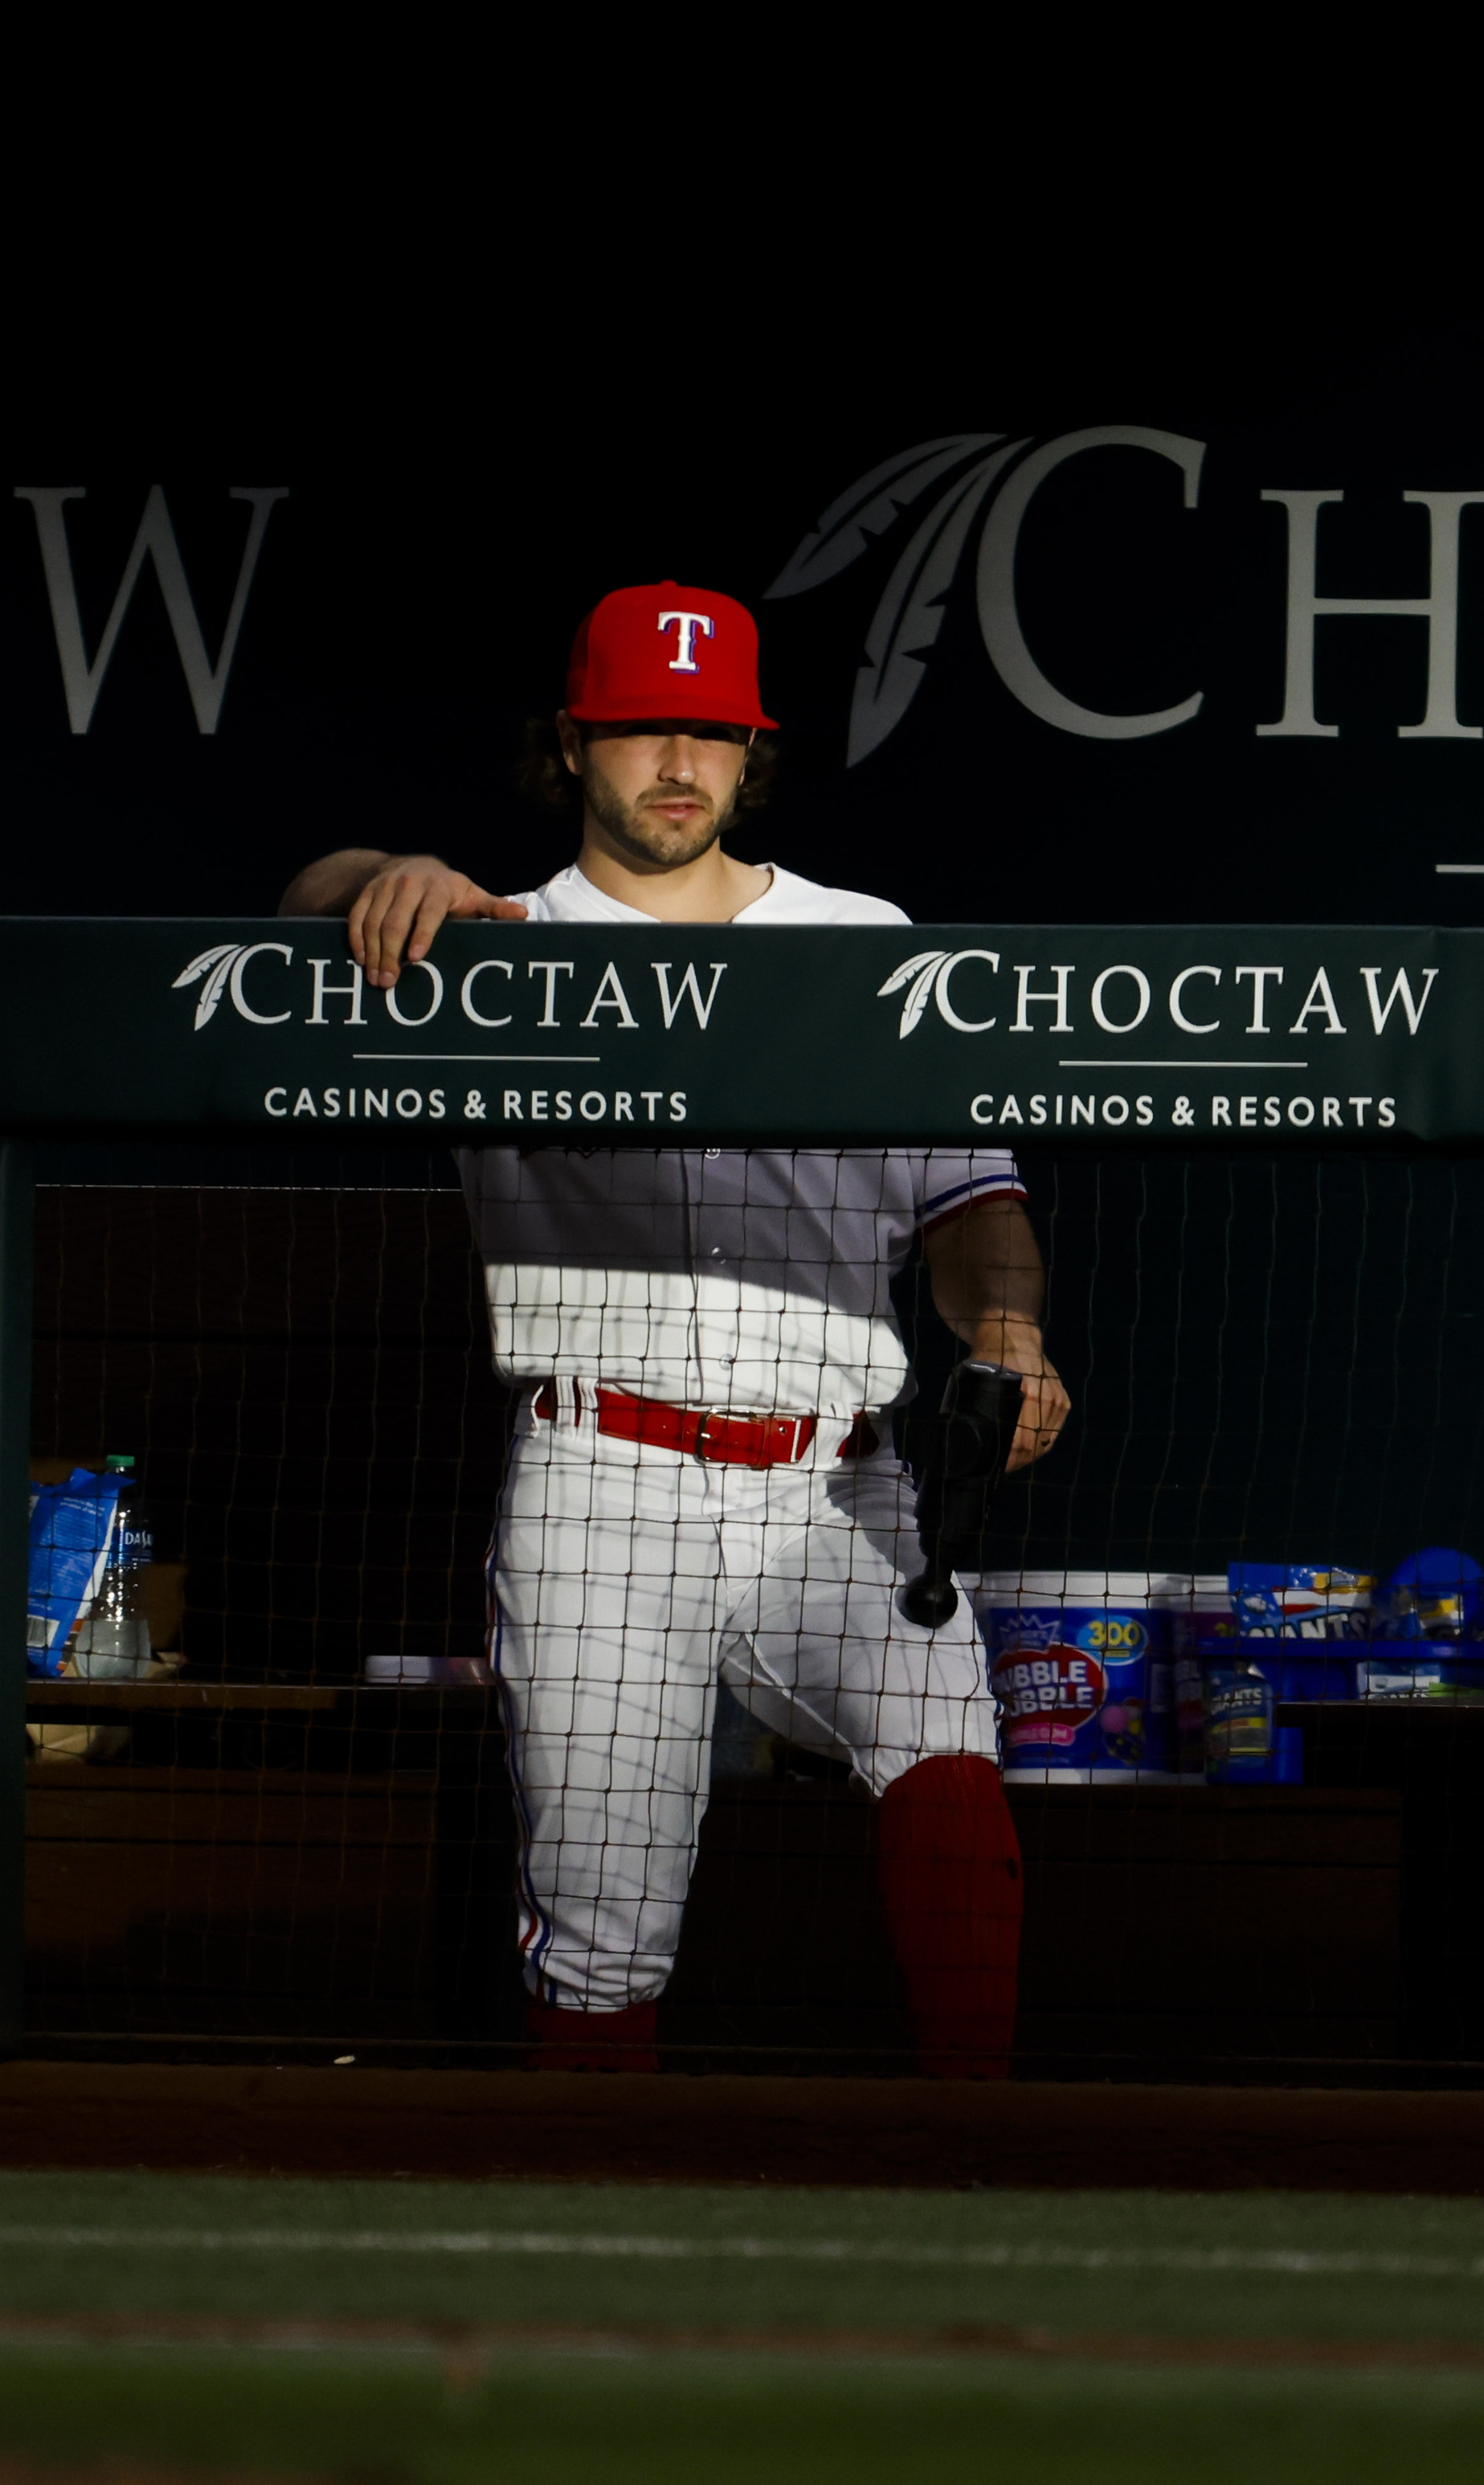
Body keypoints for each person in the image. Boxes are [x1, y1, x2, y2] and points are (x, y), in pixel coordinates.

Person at [281, 581, 1070, 2081]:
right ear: (571, 744)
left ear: (751, 752)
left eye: (713, 731)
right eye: (644, 725)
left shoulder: (864, 940)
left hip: (833, 1489)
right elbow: (306, 897)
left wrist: (1010, 1326)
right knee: (602, 1932)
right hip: (601, 1488)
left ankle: (980, 2159)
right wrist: (387, 874)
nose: (680, 761)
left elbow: (973, 1204)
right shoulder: (493, 939)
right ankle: (595, 2213)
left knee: (949, 1759)